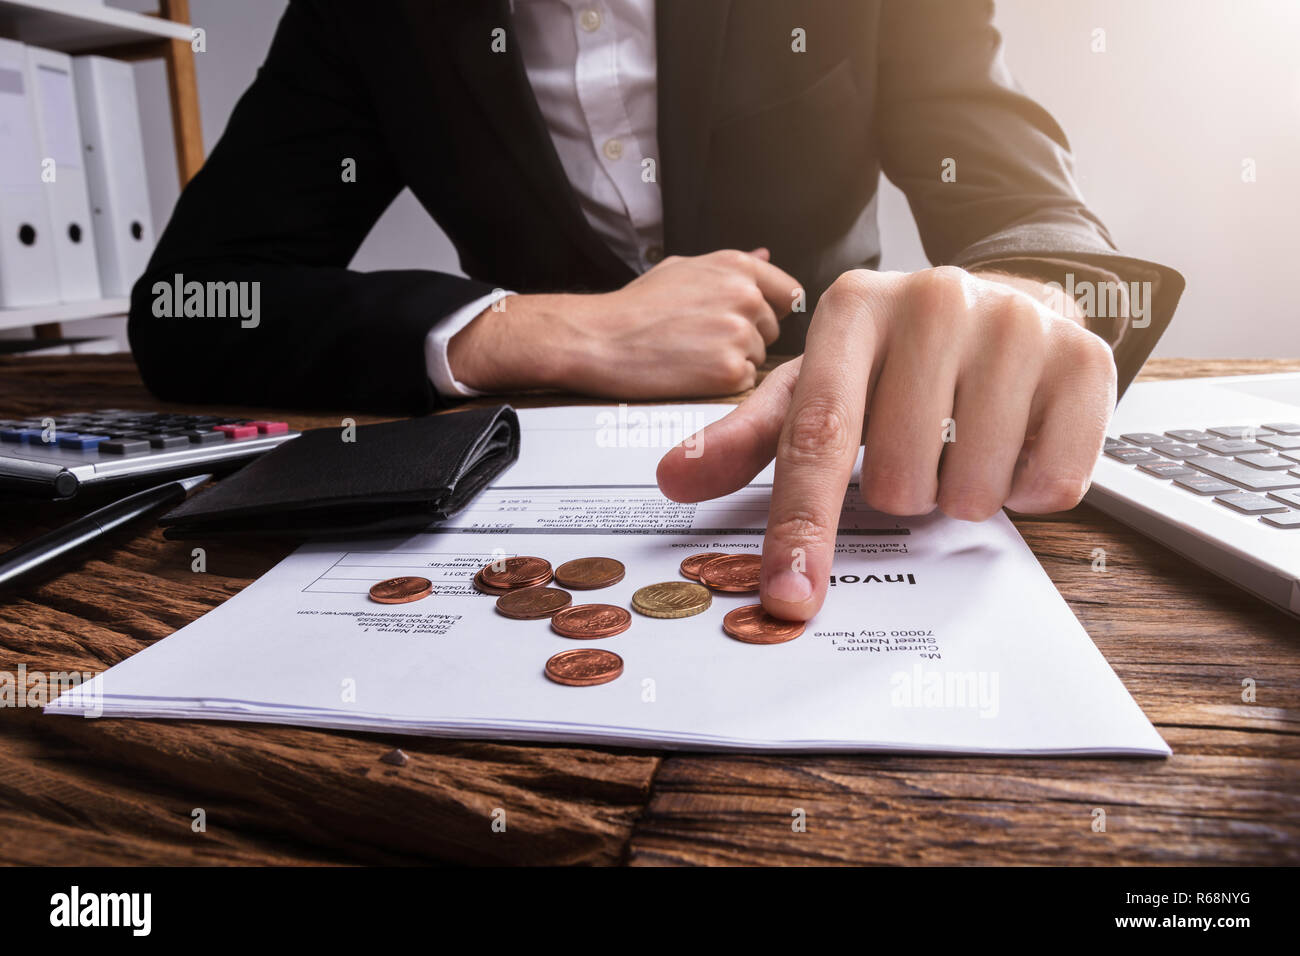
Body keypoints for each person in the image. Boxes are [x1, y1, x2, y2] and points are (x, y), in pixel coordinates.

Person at [128, 0, 1183, 620]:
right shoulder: (365, 16)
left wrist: (1023, 302)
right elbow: (192, 301)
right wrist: (534, 326)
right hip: (519, 471)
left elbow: (1029, 212)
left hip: (832, 452)